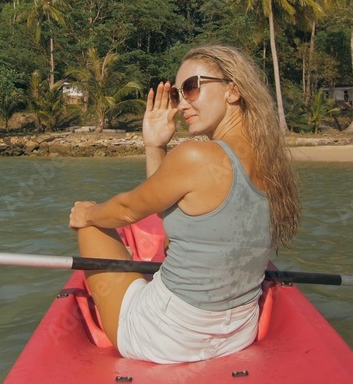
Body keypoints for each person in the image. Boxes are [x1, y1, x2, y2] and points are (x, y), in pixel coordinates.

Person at [68, 45, 300, 364]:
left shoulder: (196, 155)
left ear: (233, 90)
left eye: (191, 88)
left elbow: (126, 210)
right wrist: (155, 144)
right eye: (178, 95)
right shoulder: (272, 163)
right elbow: (177, 213)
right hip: (236, 335)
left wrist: (86, 211)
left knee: (92, 223)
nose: (181, 106)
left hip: (165, 336)